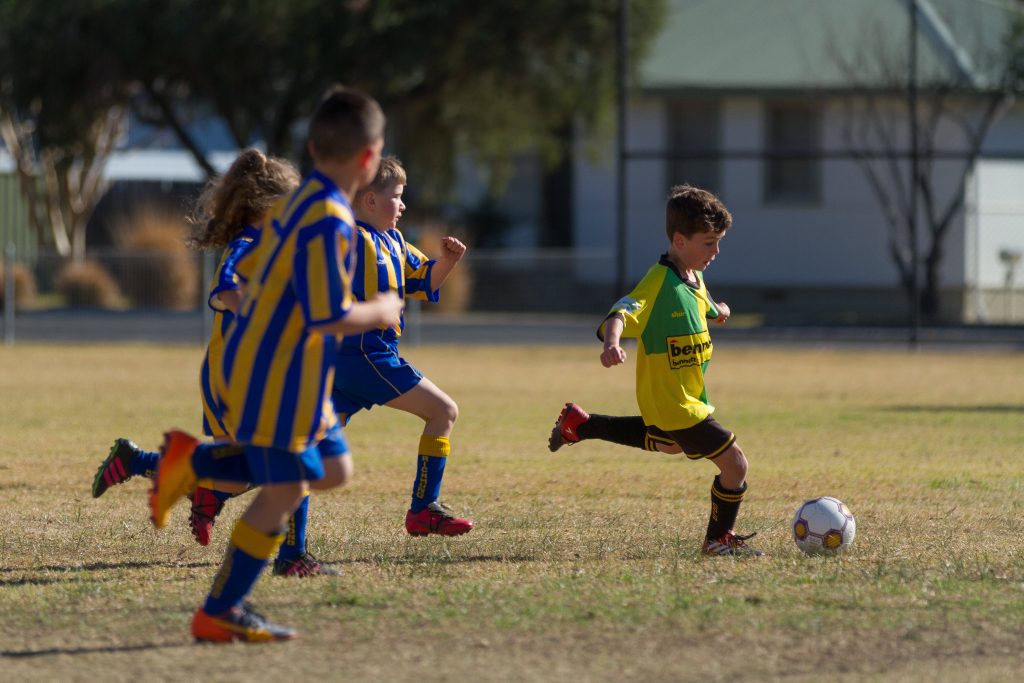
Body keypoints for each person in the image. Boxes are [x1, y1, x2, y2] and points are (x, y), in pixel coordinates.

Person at [149, 85, 403, 643]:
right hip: (276, 370)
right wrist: (382, 309)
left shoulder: (303, 202)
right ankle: (220, 607)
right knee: (287, 488)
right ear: (369, 157)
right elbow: (323, 314)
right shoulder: (330, 222)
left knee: (331, 470)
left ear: (313, 148)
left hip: (288, 367)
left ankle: (193, 464)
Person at [88, 149, 331, 574]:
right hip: (236, 375)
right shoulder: (248, 244)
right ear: (265, 207)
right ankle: (291, 556)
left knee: (248, 471)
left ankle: (150, 467)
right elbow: (224, 288)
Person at [548, 184, 763, 557]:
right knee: (735, 464)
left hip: (686, 398)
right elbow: (621, 312)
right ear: (680, 240)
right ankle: (717, 540)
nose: (716, 252)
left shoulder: (693, 277)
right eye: (708, 242)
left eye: (718, 242)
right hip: (675, 405)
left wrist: (720, 309)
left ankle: (582, 424)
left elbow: (705, 303)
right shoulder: (658, 281)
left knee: (669, 445)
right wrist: (612, 343)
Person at [334, 157, 472, 536]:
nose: (403, 204)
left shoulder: (394, 241)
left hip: (356, 362)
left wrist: (448, 261)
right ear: (370, 201)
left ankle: (215, 488)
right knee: (443, 411)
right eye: (396, 196)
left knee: (307, 449)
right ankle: (424, 509)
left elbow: (425, 281)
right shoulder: (349, 239)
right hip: (367, 356)